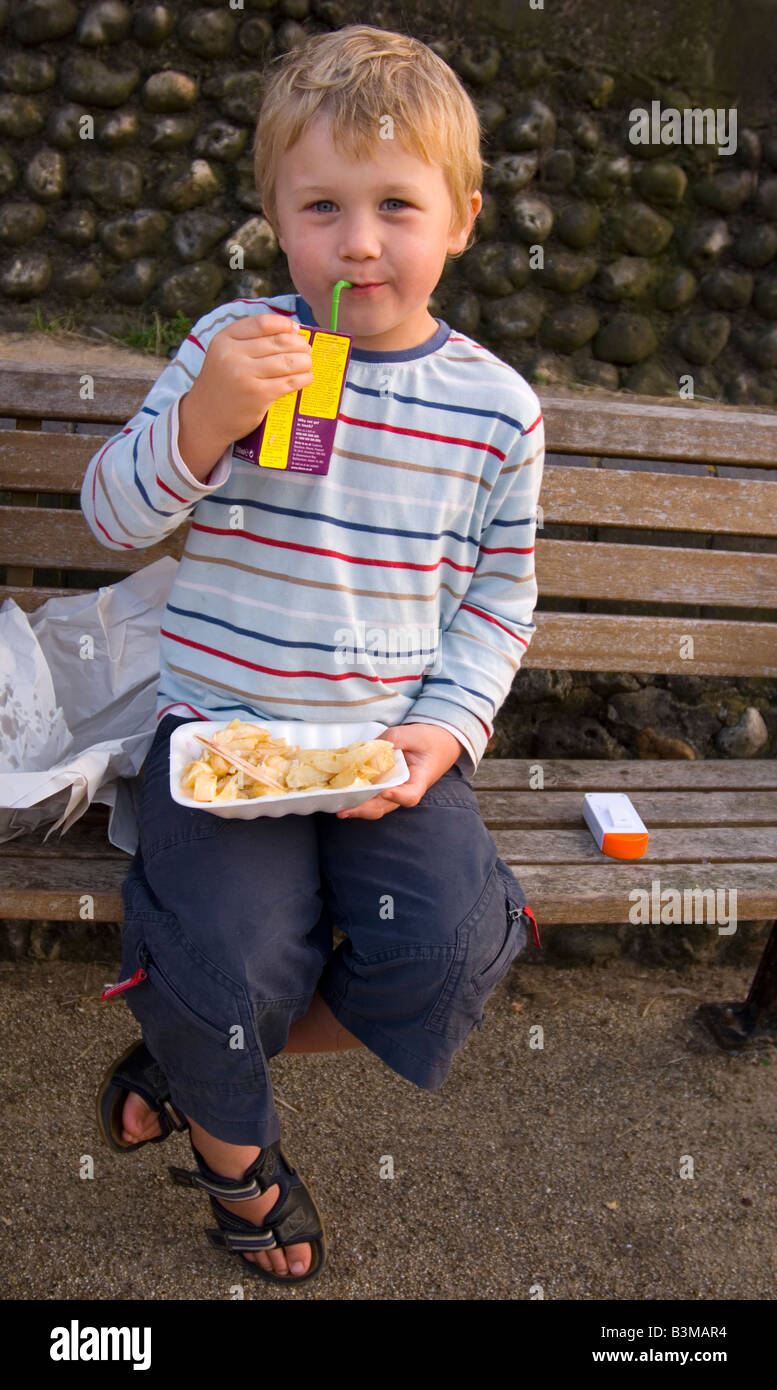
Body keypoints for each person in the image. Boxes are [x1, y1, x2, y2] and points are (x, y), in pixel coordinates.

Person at [83, 23, 544, 1287]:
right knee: (228, 953)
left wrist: (442, 735)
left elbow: (500, 603)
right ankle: (244, 1170)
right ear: (274, 217)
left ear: (460, 220)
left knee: (449, 945)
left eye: (396, 205)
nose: (357, 242)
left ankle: (190, 1053)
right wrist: (204, 417)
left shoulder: (498, 409)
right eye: (321, 206)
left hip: (384, 746)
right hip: (227, 732)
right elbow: (113, 516)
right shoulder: (233, 349)